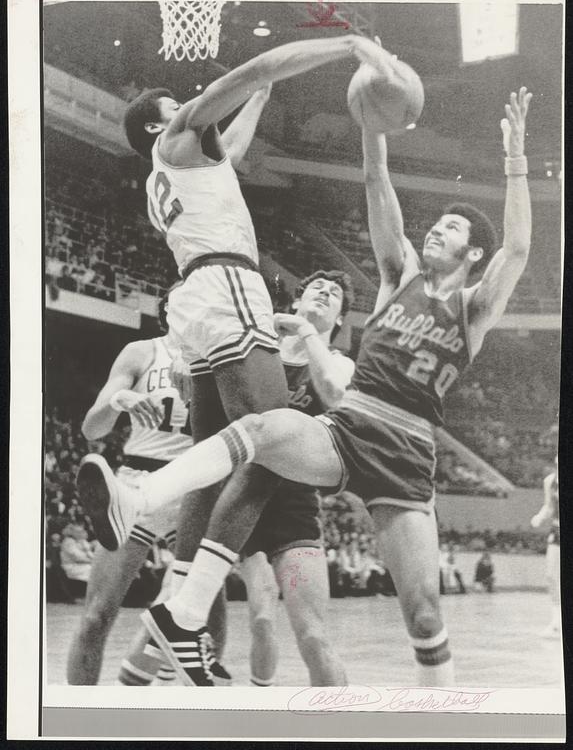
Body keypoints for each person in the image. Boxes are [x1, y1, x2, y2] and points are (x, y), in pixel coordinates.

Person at [79, 81, 533, 687]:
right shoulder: (398, 276)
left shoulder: (474, 311)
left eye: (450, 228)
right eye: (437, 222)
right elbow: (377, 185)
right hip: (345, 432)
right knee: (263, 430)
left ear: (475, 253)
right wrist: (373, 123)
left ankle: (439, 713)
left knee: (424, 615)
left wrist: (515, 160)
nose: (435, 230)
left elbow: (521, 247)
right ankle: (142, 508)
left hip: (407, 455)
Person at [66, 295, 228, 685]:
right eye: (182, 299)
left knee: (206, 619)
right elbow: (92, 429)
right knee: (97, 615)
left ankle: (172, 709)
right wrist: (120, 400)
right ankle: (77, 718)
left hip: (194, 486)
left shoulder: (223, 361)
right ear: (168, 310)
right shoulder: (141, 352)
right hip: (138, 483)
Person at [240, 270, 354, 686]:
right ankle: (258, 705)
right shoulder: (258, 349)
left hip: (294, 501)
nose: (325, 292)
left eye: (336, 293)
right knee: (262, 616)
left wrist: (307, 331)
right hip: (244, 495)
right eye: (317, 287)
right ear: (296, 299)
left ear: (340, 319)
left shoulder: (339, 363)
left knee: (312, 635)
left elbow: (336, 395)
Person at [530, 457, 560, 637]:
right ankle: (557, 622)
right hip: (557, 530)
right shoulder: (549, 481)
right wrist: (540, 517)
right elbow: (549, 507)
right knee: (551, 575)